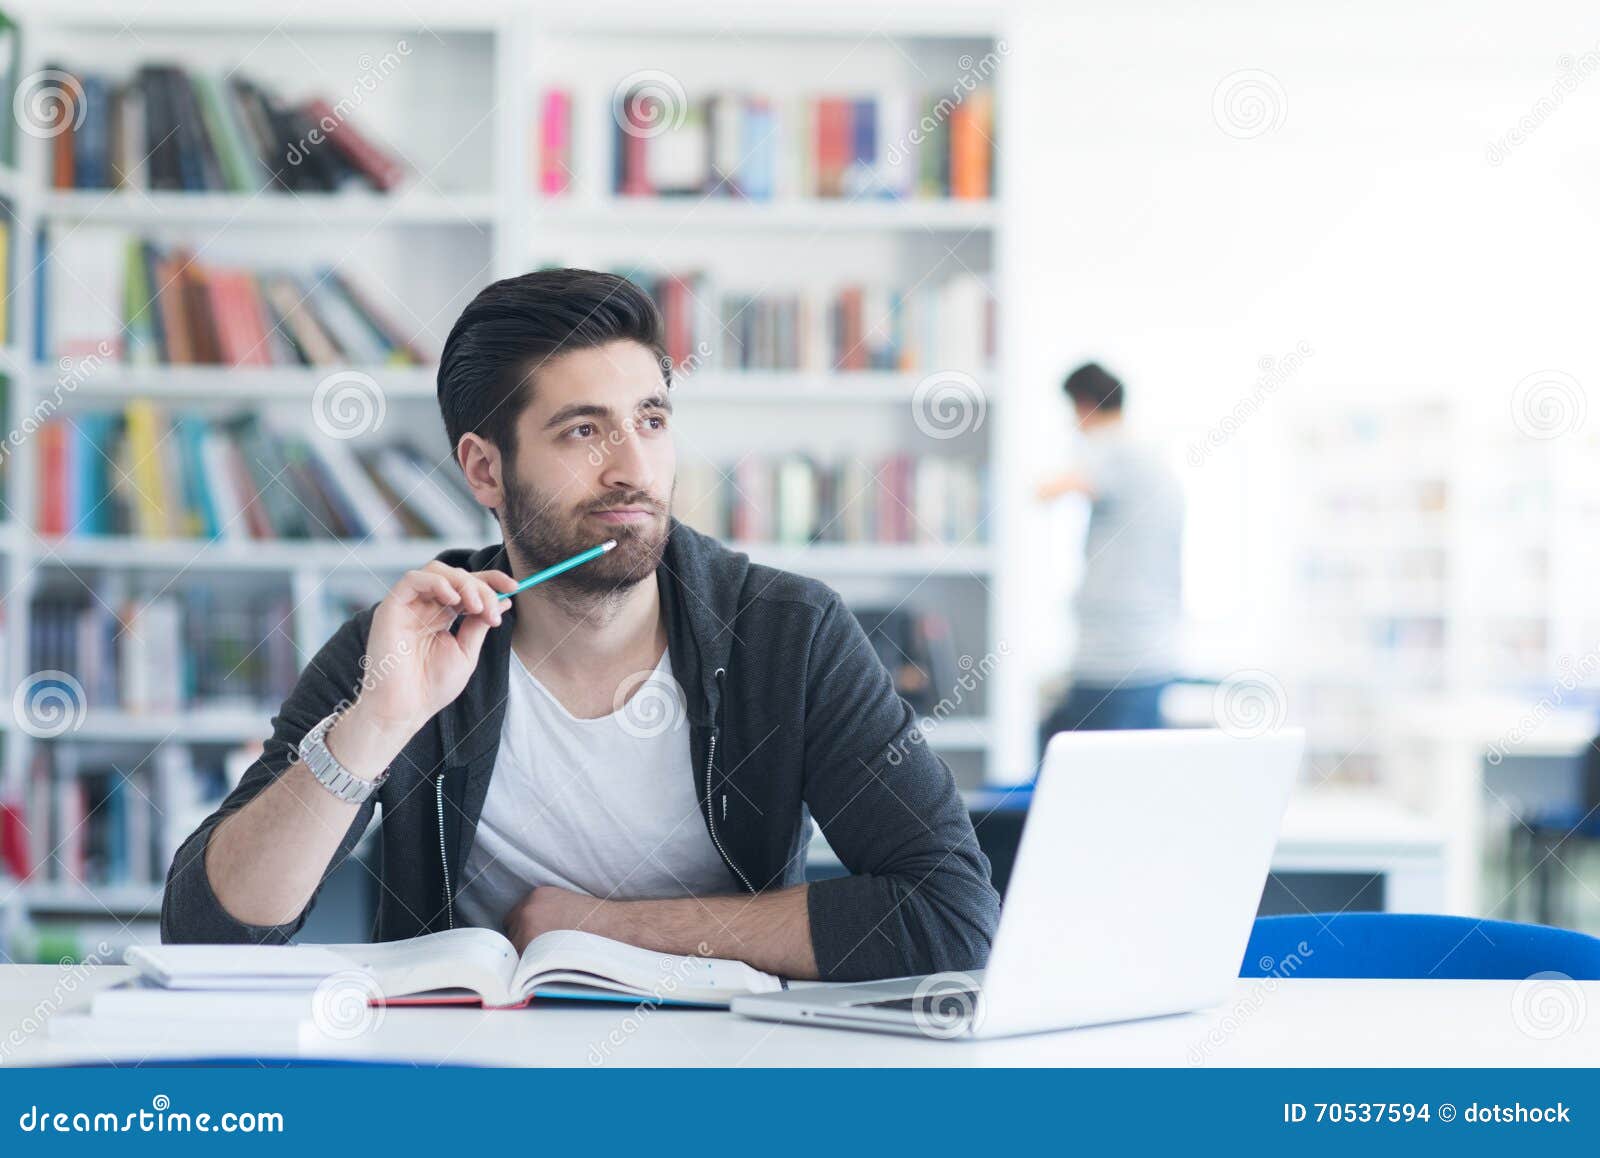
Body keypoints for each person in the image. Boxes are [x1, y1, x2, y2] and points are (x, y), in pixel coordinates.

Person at [161, 269, 999, 983]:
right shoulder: (410, 643)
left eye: (652, 421)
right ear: (486, 469)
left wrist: (602, 929)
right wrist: (373, 725)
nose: (635, 469)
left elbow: (948, 914)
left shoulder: (789, 635)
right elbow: (210, 934)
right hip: (469, 1079)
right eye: (585, 430)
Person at [1034, 362, 1184, 761]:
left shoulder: (1113, 448)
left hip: (1113, 659)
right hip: (1151, 652)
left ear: (1084, 406)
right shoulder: (1151, 456)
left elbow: (1049, 491)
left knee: (1082, 780)